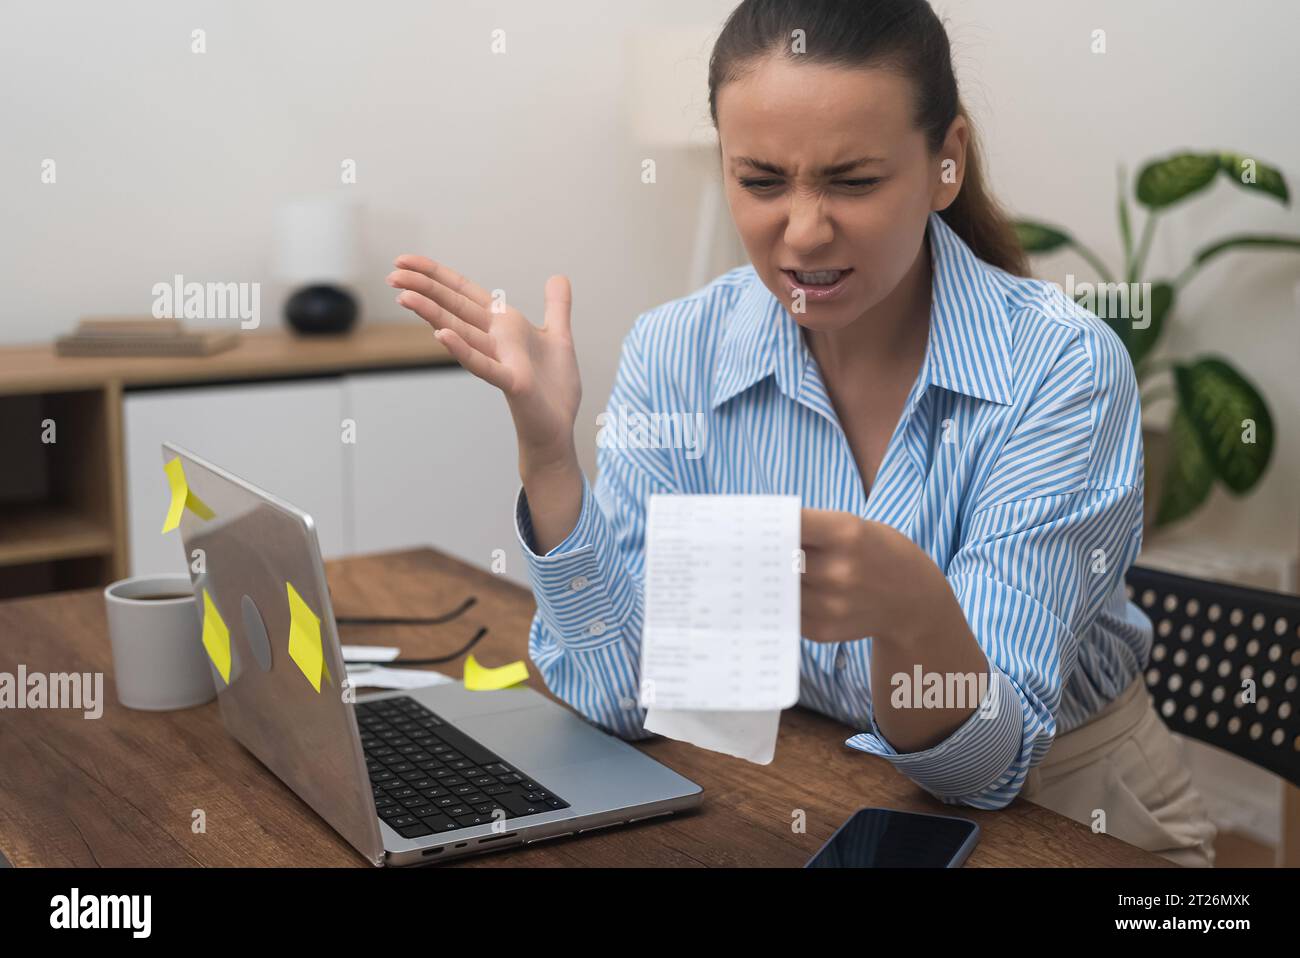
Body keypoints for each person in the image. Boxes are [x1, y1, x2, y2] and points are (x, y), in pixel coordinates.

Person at [388, 0, 1217, 867]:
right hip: (827, 795)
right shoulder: (679, 352)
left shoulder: (1062, 370)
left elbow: (982, 767)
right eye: (761, 181)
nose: (805, 230)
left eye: (853, 182)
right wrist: (551, 456)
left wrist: (911, 606)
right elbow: (625, 694)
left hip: (1075, 821)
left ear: (947, 163)